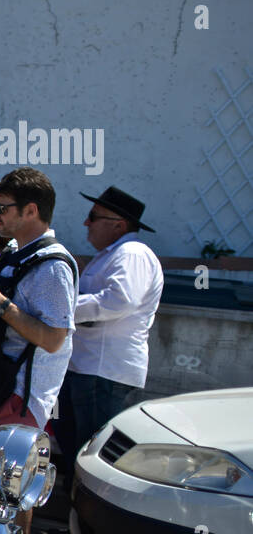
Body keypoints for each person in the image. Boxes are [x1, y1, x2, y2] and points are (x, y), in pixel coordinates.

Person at [0, 168, 78, 534]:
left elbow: (53, 339)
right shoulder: (16, 254)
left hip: (19, 397)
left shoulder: (53, 266)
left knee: (9, 496)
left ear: (30, 211)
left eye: (2, 208)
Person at [55, 186, 162, 461]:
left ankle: (82, 503)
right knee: (76, 448)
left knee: (91, 455)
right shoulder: (115, 253)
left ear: (119, 225)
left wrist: (63, 309)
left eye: (93, 216)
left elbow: (119, 301)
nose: (86, 223)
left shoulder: (132, 253)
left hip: (103, 373)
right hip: (91, 369)